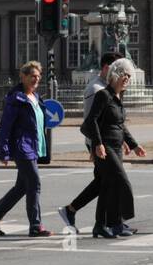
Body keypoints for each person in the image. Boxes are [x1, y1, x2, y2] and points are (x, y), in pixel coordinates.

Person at [0, 61, 52, 238]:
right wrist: (4, 151)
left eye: (38, 76)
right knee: (35, 184)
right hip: (23, 148)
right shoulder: (16, 99)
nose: (36, 79)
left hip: (33, 147)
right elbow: (5, 127)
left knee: (21, 187)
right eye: (32, 76)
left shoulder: (36, 98)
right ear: (23, 77)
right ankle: (35, 226)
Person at [81, 58, 145, 238]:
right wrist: (97, 144)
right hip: (105, 147)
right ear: (115, 75)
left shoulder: (118, 97)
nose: (127, 80)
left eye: (129, 77)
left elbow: (120, 125)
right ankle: (116, 221)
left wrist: (134, 145)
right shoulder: (103, 95)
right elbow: (90, 121)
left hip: (116, 147)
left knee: (108, 187)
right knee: (122, 183)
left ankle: (102, 226)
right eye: (124, 75)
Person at [59, 53, 115, 234]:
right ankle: (109, 222)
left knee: (103, 182)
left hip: (105, 142)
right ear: (106, 68)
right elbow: (90, 120)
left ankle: (72, 210)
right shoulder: (96, 89)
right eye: (117, 69)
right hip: (99, 143)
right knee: (110, 181)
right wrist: (93, 145)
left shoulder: (106, 87)